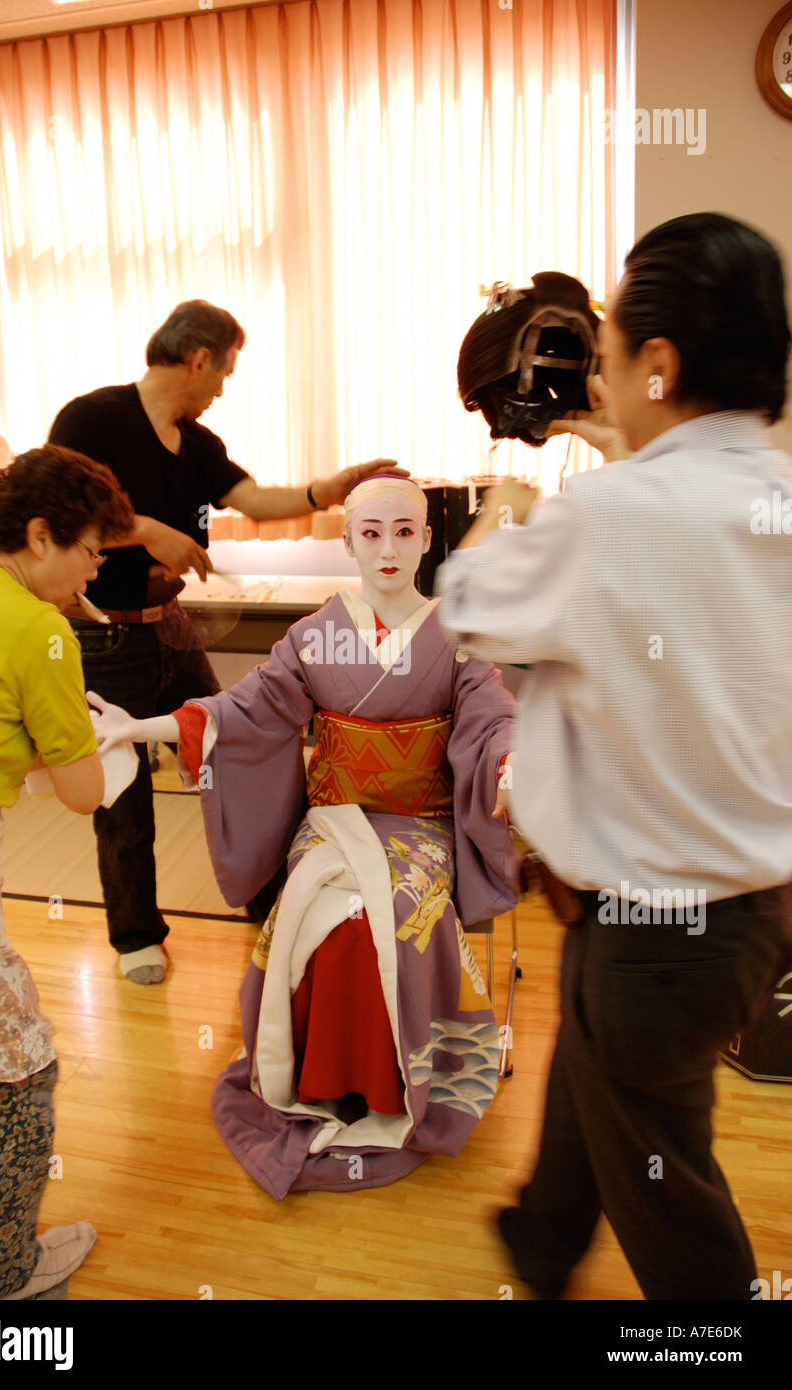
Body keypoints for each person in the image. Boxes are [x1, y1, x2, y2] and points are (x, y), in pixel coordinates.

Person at [436, 212, 792, 1300]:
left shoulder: (606, 514)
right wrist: (626, 435)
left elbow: (466, 603)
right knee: (595, 1066)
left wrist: (502, 507)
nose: (595, 372)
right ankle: (543, 1240)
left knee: (666, 1182)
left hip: (652, 926)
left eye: (612, 351)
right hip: (740, 907)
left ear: (660, 362)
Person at [90, 476, 520, 1196]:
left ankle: (396, 1082)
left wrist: (512, 766)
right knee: (326, 913)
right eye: (371, 532)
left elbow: (492, 723)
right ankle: (313, 1076)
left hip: (419, 826)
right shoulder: (314, 634)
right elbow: (240, 711)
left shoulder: (459, 635)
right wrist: (140, 728)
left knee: (387, 913)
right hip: (333, 820)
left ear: (425, 539)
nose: (388, 547)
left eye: (405, 531)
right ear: (348, 540)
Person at [49, 299, 403, 985]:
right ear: (198, 358)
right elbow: (61, 514)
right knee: (123, 791)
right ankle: (135, 937)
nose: (223, 388)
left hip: (169, 625)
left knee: (236, 744)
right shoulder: (91, 418)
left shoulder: (198, 443)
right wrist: (148, 530)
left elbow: (254, 500)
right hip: (100, 634)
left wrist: (323, 490)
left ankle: (271, 898)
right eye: (225, 372)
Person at [0, 444, 135, 1299]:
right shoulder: (42, 630)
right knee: (13, 1060)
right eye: (89, 551)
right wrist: (99, 741)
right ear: (42, 537)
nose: (92, 571)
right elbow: (84, 792)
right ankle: (8, 1271)